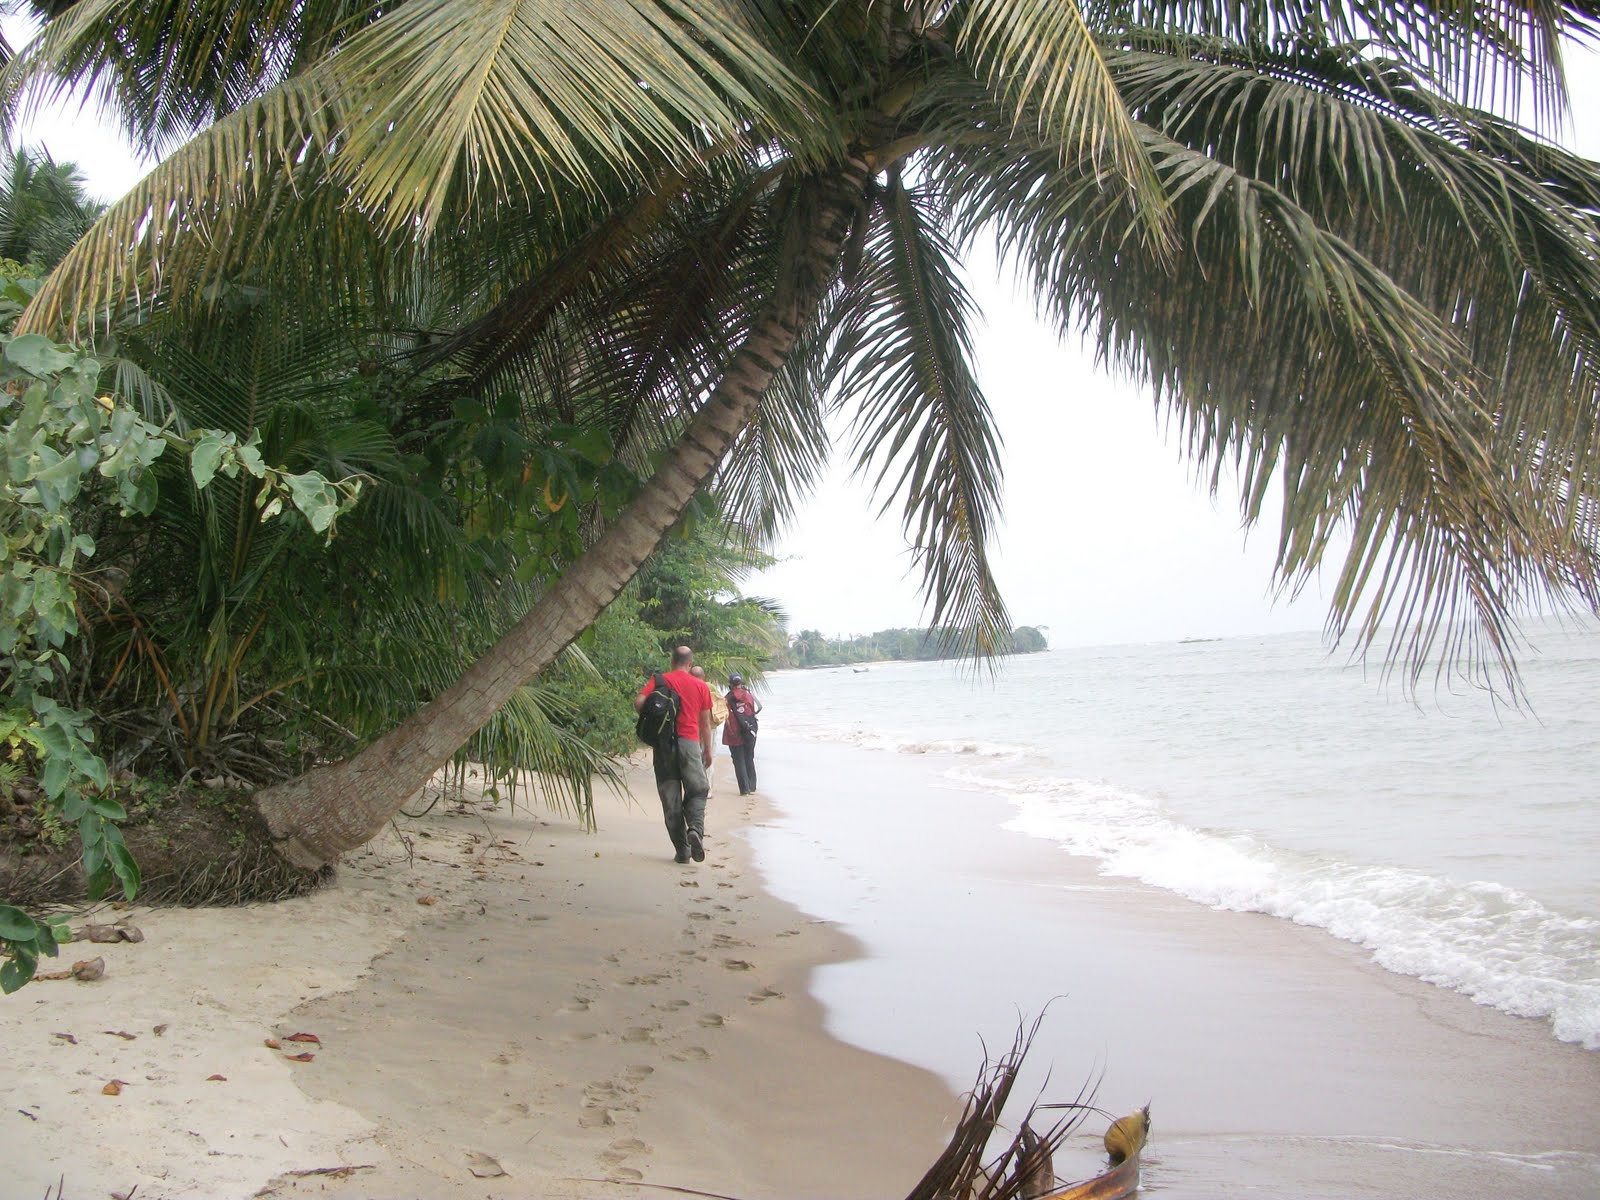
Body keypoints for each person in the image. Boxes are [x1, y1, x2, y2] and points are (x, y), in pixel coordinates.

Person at [635, 646, 714, 863]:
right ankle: (695, 830)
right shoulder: (700, 685)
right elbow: (705, 723)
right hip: (689, 743)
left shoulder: (660, 680)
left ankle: (683, 851)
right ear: (690, 663)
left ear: (672, 661)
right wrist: (707, 750)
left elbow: (639, 702)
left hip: (664, 747)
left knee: (671, 799)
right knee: (698, 790)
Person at [722, 673, 761, 795]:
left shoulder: (727, 698)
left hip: (734, 734)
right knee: (749, 758)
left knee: (738, 760)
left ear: (730, 684)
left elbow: (726, 717)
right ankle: (752, 786)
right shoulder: (749, 695)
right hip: (749, 731)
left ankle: (744, 789)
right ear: (740, 683)